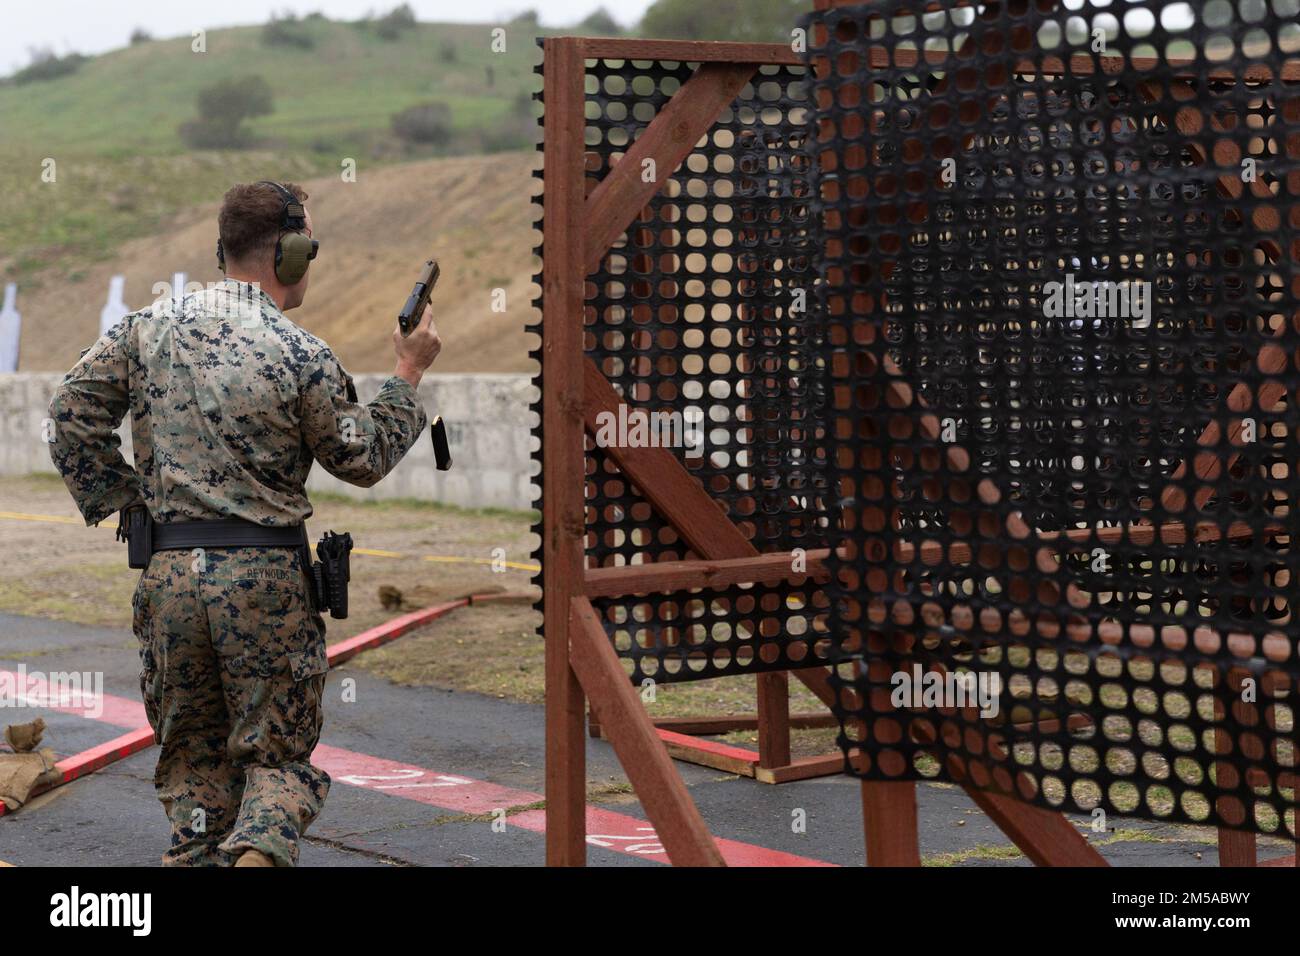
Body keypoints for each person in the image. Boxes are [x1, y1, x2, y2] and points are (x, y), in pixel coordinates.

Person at [47, 180, 443, 866]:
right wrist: (407, 371)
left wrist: (127, 500)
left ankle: (200, 850)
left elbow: (70, 415)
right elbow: (360, 455)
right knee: (276, 758)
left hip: (169, 577)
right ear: (291, 254)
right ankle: (260, 849)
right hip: (267, 581)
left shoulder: (145, 327)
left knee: (195, 771)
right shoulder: (301, 350)